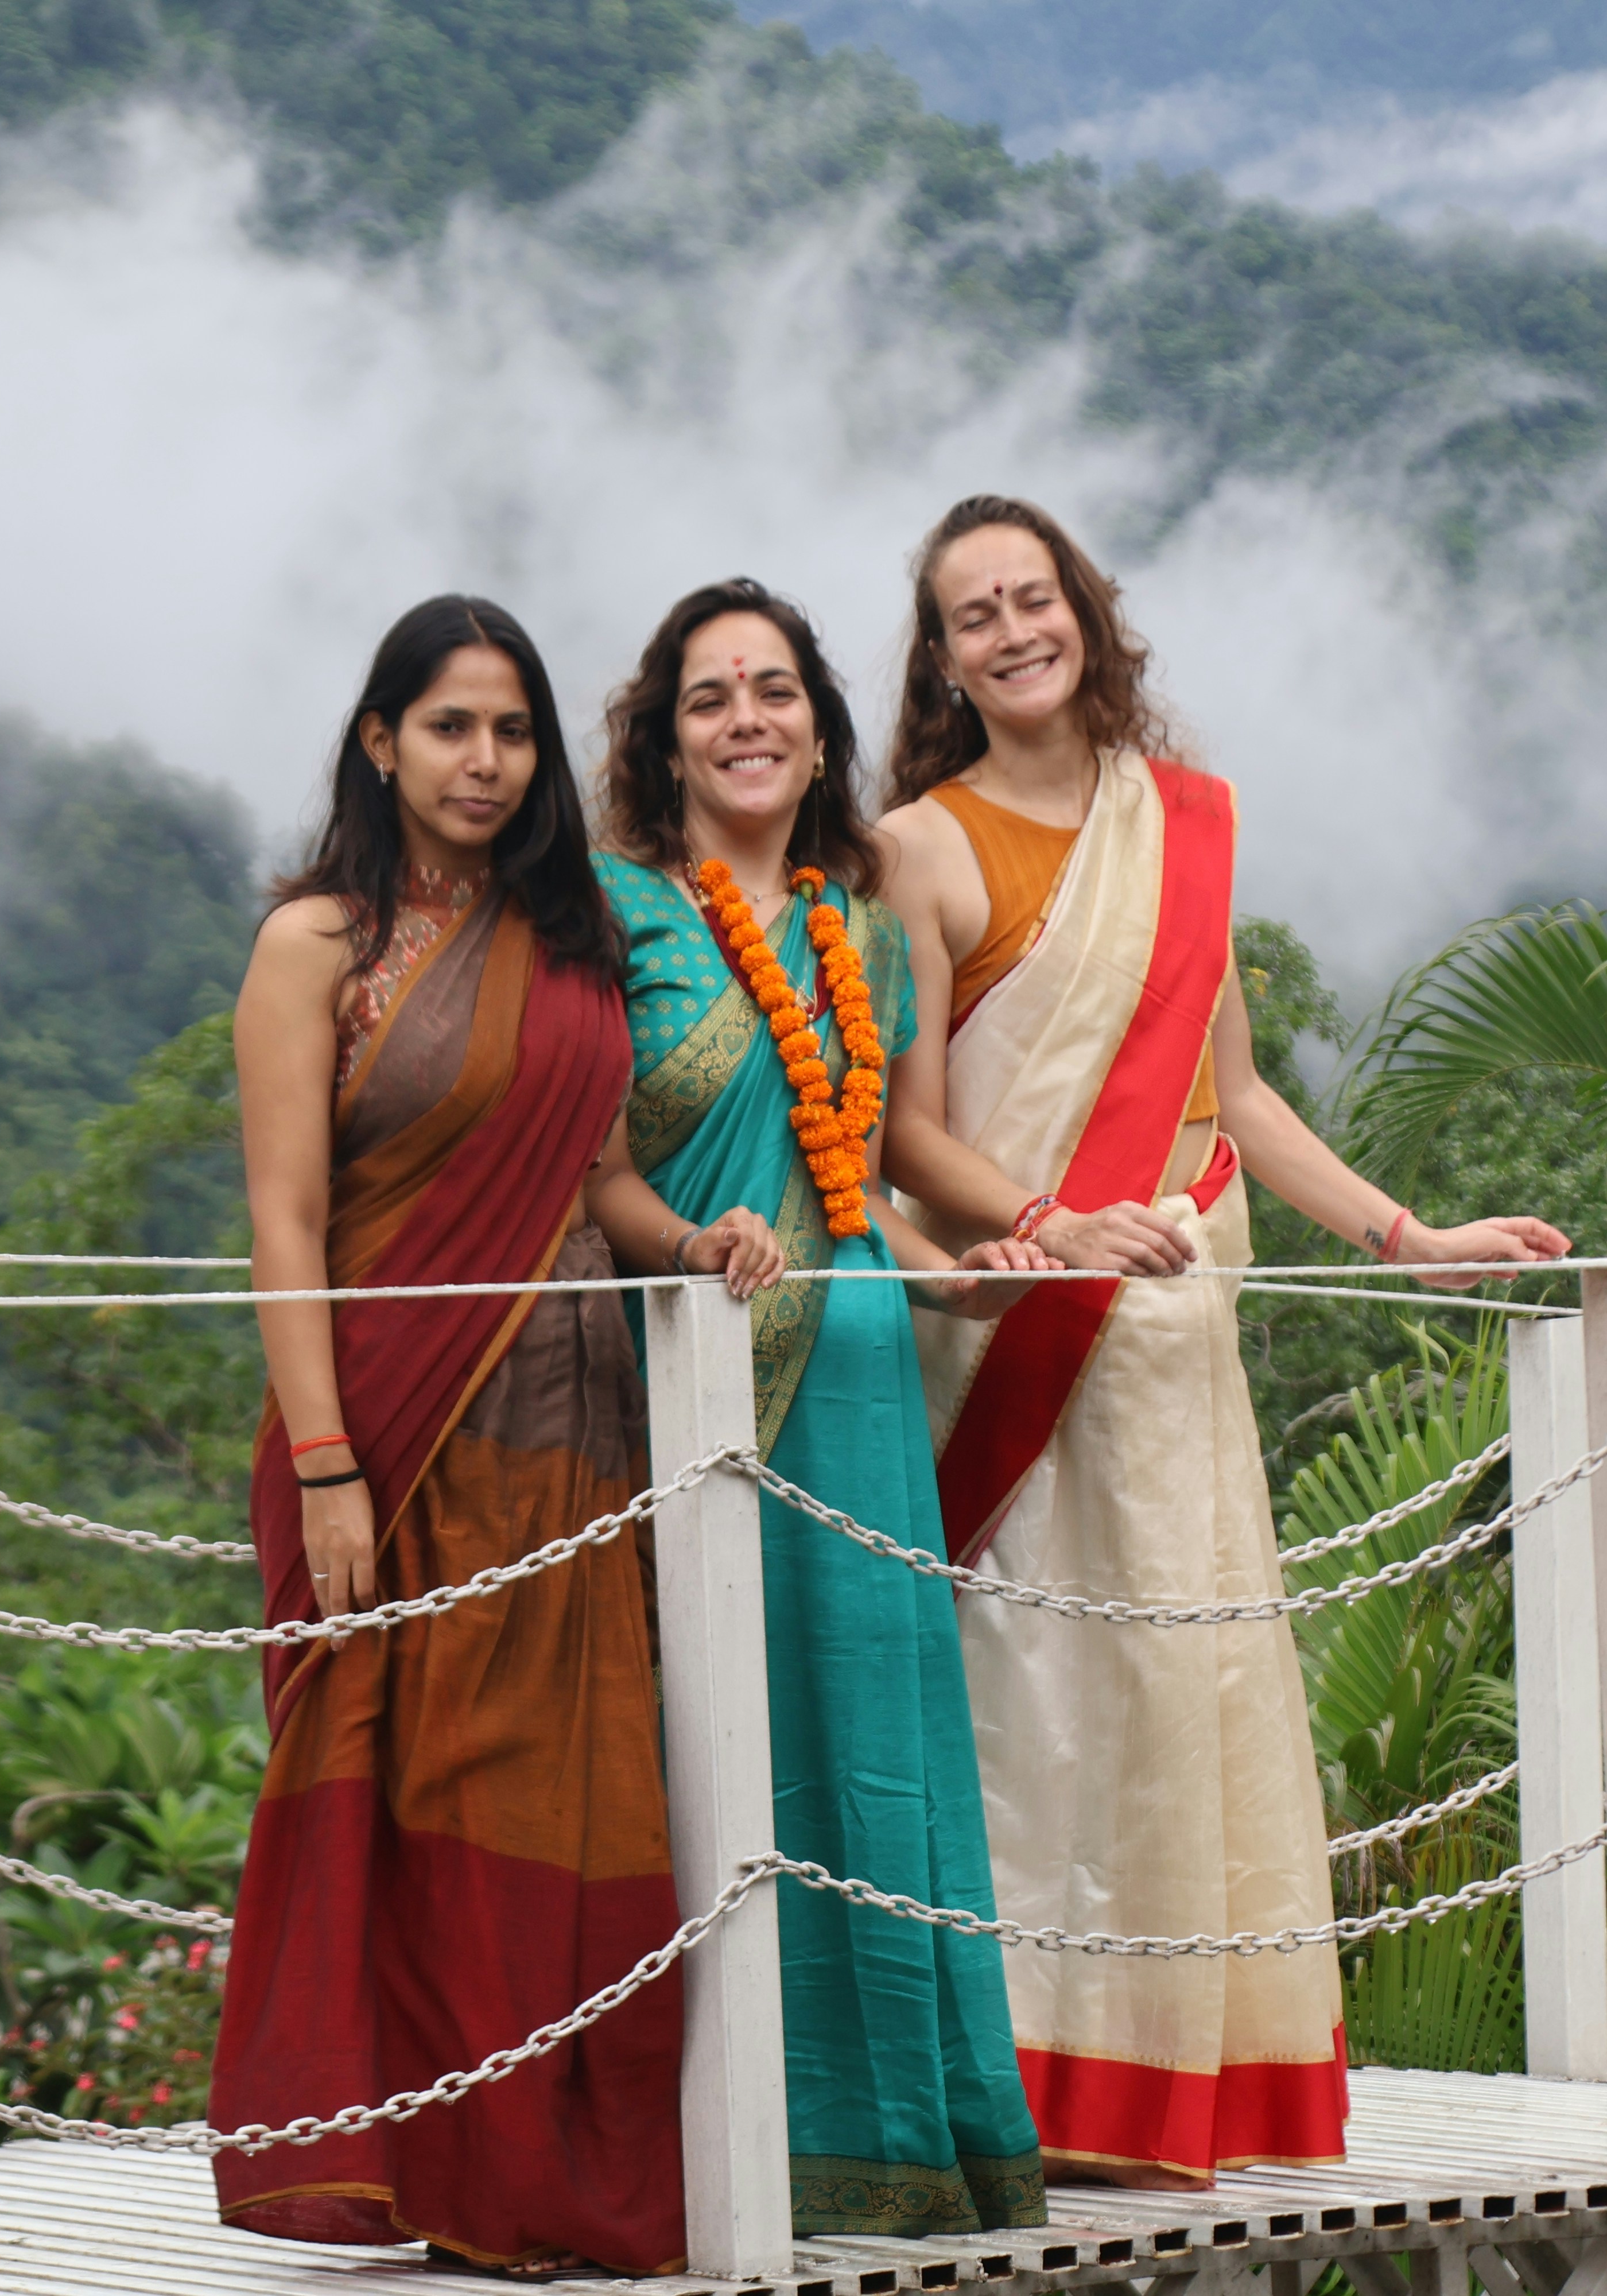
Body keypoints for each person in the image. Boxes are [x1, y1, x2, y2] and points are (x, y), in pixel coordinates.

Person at [877, 497, 1570, 2189]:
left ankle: (1173, 2087)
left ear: (1086, 615)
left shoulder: (1184, 826)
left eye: (1033, 597)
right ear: (945, 657)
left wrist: (1409, 1238)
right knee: (1026, 1703)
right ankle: (1021, 2085)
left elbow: (1235, 1093)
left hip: (1175, 1345)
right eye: (974, 615)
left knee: (1178, 1689)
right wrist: (1043, 1237)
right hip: (1012, 1337)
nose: (1011, 631)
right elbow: (908, 1135)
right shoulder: (919, 845)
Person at [213, 595, 682, 2276]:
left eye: (511, 732)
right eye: (450, 729)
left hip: (571, 1432)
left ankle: (541, 2182)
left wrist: (695, 1252)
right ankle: (445, 2178)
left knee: (576, 1804)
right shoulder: (316, 948)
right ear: (380, 741)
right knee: (424, 1801)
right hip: (392, 1434)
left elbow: (598, 1173)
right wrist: (329, 1461)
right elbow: (284, 1218)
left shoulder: (570, 942)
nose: (485, 764)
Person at [582, 578, 1054, 2241]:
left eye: (774, 692)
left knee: (880, 1759)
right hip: (703, 1370)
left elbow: (854, 1181)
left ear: (819, 723)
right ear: (667, 735)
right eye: (710, 699)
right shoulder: (619, 911)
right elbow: (603, 1164)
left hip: (856, 1375)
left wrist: (953, 1272)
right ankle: (739, 2145)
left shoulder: (855, 929)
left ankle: (913, 2139)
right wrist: (693, 1245)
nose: (747, 722)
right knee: (723, 1745)